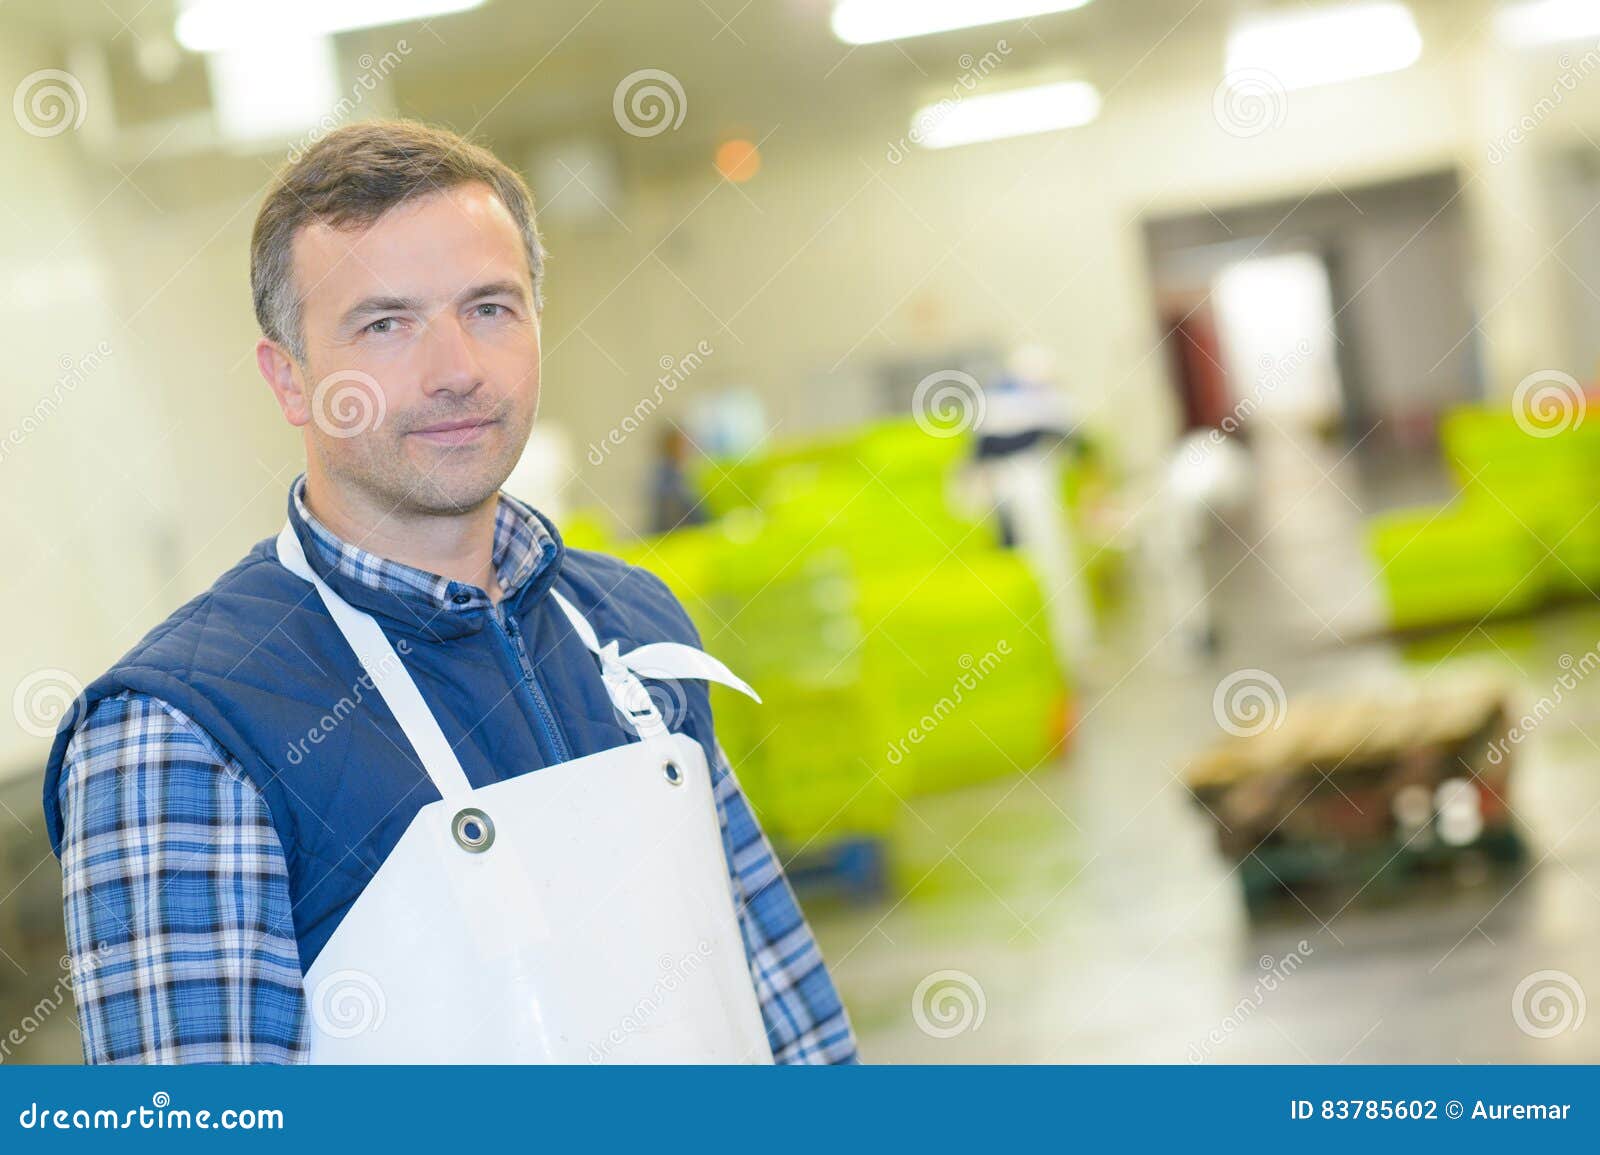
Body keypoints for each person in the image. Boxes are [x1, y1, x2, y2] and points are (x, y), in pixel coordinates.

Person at [42, 119, 856, 1065]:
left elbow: (784, 1009)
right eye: (385, 324)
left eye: (490, 308)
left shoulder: (631, 626)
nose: (456, 370)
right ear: (290, 378)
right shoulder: (180, 732)